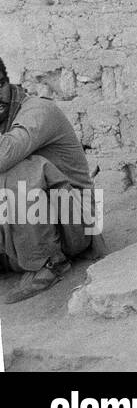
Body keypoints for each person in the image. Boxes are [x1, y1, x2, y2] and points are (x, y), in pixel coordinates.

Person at [0, 58, 97, 303]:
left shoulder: (37, 111)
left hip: (77, 221)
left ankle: (50, 264)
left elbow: (4, 155)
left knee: (19, 171)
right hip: (32, 224)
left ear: (7, 82)